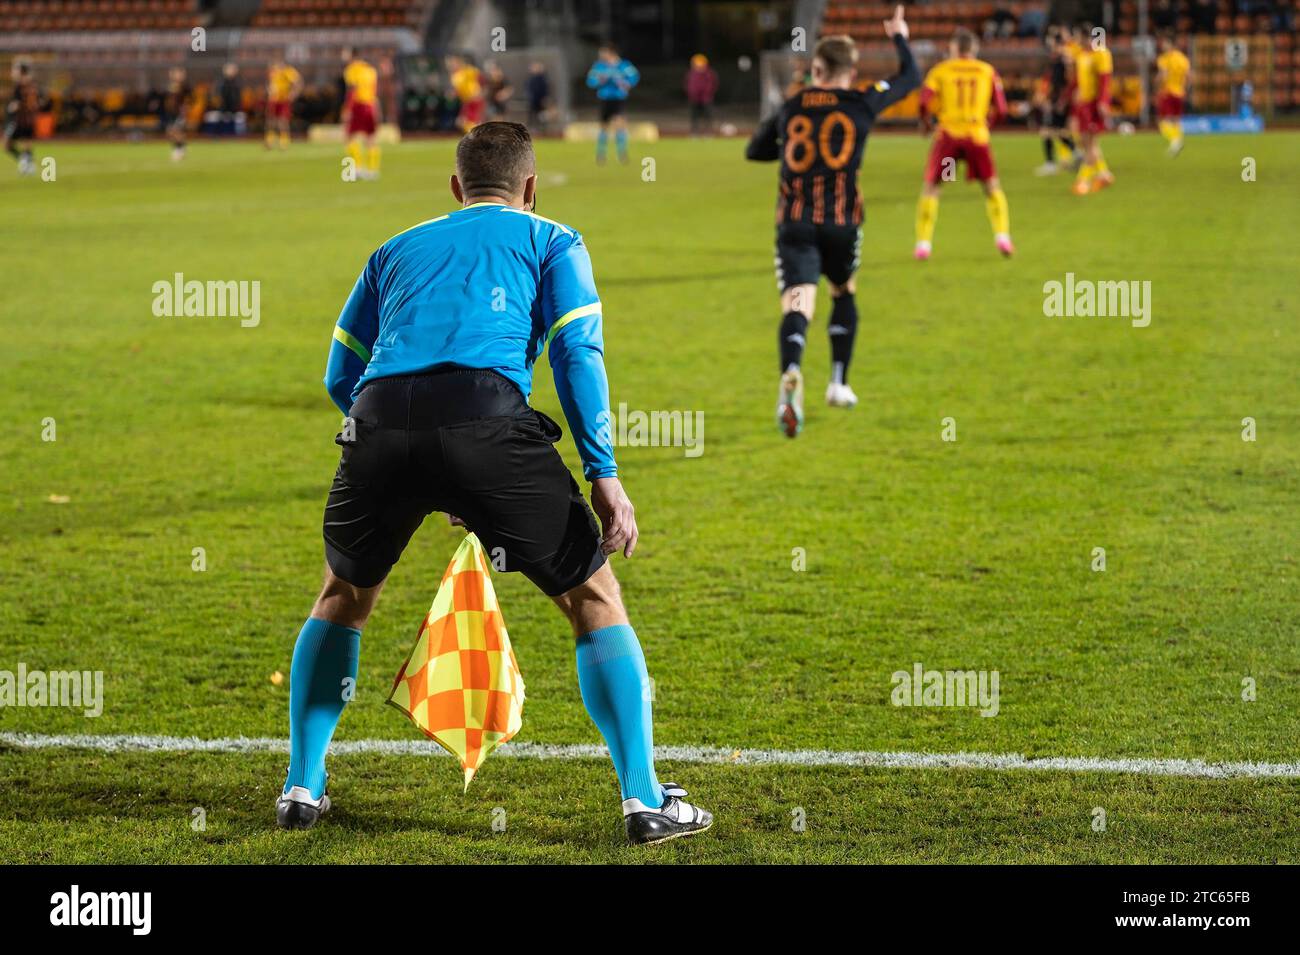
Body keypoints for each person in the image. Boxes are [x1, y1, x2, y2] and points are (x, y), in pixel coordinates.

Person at [277, 121, 713, 847]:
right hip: (486, 418)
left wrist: (411, 447)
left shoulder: (393, 248)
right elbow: (577, 354)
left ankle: (300, 785)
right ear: (530, 186)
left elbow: (338, 372)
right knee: (593, 597)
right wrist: (603, 473)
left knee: (341, 597)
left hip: (376, 421)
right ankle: (644, 800)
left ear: (456, 187)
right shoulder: (553, 239)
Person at [745, 6, 919, 437]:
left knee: (798, 301)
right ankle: (839, 382)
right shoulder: (862, 102)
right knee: (843, 290)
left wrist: (790, 137)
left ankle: (791, 371)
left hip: (795, 221)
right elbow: (911, 77)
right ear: (851, 71)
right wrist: (898, 35)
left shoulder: (792, 105)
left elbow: (755, 150)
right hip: (843, 220)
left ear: (816, 69)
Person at [913, 28, 1015, 261]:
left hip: (949, 138)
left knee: (934, 187)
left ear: (954, 48)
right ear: (974, 49)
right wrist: (987, 125)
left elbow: (924, 102)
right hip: (976, 137)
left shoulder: (941, 70)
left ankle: (923, 244)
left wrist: (926, 124)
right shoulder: (987, 71)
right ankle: (1002, 237)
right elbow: (1002, 109)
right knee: (991, 186)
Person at [1069, 23, 1116, 194]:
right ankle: (1104, 174)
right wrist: (1072, 93)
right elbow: (1078, 79)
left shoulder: (1101, 54)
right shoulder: (1081, 54)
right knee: (1085, 141)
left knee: (1090, 143)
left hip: (1094, 104)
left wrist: (1103, 102)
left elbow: (1105, 80)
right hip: (1083, 103)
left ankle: (1082, 181)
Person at [1033, 28, 1080, 175]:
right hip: (1056, 99)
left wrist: (1062, 100)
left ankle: (1051, 164)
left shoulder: (1065, 60)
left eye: (1051, 43)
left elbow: (1069, 82)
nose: (1049, 47)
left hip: (1060, 101)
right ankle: (1077, 155)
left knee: (1048, 131)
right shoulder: (1057, 60)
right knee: (1059, 132)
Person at [586, 43, 639, 164]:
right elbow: (590, 81)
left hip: (619, 98)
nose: (600, 55)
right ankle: (601, 154)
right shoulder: (599, 66)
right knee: (604, 126)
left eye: (603, 52)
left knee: (620, 125)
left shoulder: (624, 65)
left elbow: (634, 77)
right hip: (605, 99)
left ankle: (622, 154)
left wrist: (624, 83)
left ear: (611, 52)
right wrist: (600, 80)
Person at [342, 47, 382, 180]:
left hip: (358, 105)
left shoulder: (351, 70)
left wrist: (347, 109)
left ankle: (357, 169)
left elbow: (352, 90)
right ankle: (373, 170)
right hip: (370, 105)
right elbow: (374, 91)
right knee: (370, 138)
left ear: (352, 55)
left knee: (349, 137)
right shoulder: (371, 70)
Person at [1155, 31, 1191, 157]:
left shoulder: (1164, 58)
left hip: (1167, 92)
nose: (1162, 45)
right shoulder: (1183, 58)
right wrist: (1184, 89)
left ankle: (1175, 141)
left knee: (1162, 122)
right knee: (1176, 120)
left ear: (1170, 43)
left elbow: (1163, 75)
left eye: (1164, 43)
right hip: (1180, 93)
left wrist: (1157, 85)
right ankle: (1177, 143)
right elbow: (1189, 76)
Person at [4, 61, 39, 176]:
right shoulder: (32, 84)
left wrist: (10, 108)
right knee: (26, 142)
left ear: (21, 71)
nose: (13, 72)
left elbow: (17, 104)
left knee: (7, 144)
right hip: (30, 118)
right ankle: (28, 165)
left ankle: (25, 163)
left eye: (15, 70)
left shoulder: (20, 85)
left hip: (19, 119)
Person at [265, 53, 302, 150]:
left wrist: (293, 94)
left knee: (283, 121)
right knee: (271, 121)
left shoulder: (288, 71)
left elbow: (298, 83)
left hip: (284, 99)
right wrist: (269, 90)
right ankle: (270, 141)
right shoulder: (273, 71)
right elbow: (271, 84)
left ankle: (284, 142)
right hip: (273, 99)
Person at [447, 55, 485, 130]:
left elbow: (481, 79)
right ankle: (476, 133)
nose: (452, 66)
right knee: (462, 122)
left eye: (454, 63)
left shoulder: (468, 70)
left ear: (459, 63)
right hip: (467, 101)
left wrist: (480, 91)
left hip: (475, 99)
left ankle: (477, 133)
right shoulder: (454, 77)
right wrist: (452, 94)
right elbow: (458, 90)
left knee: (469, 121)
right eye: (450, 64)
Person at [161, 67, 191, 163]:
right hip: (170, 113)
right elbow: (167, 98)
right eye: (176, 74)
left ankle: (179, 149)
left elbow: (189, 98)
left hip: (179, 113)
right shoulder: (170, 86)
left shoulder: (184, 86)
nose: (178, 76)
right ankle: (180, 147)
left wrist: (186, 107)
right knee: (170, 131)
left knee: (176, 130)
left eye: (179, 74)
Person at [685, 53, 719, 136]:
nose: (698, 66)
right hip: (694, 98)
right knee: (694, 116)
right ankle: (694, 132)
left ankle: (708, 132)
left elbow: (713, 85)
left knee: (708, 115)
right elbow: (688, 85)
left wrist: (708, 94)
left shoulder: (709, 73)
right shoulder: (691, 73)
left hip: (706, 98)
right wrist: (691, 94)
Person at [525, 61, 551, 131]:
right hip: (533, 100)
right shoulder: (531, 78)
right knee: (532, 115)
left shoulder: (542, 78)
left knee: (542, 115)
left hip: (540, 100)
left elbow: (545, 89)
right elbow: (528, 88)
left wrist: (544, 98)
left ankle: (543, 128)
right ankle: (531, 128)